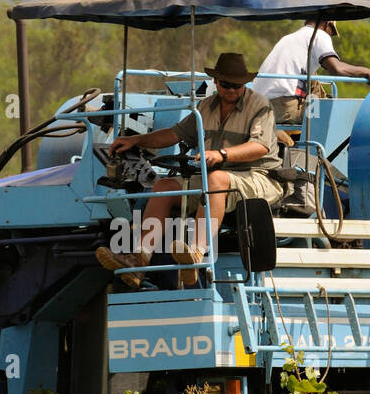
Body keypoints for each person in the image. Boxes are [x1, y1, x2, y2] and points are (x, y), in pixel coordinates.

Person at [95, 52, 282, 288]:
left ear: (244, 84)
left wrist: (220, 155)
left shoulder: (260, 106)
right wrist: (137, 141)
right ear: (216, 82)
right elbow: (174, 134)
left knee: (214, 180)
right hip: (214, 178)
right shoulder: (205, 107)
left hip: (258, 179)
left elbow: (260, 146)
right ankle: (138, 259)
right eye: (226, 84)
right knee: (163, 186)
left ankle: (195, 253)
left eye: (237, 85)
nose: (231, 90)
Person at [250, 19, 370, 124]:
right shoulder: (319, 35)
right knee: (334, 117)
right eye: (332, 32)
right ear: (326, 24)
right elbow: (337, 68)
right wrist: (366, 72)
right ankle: (321, 154)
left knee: (313, 76)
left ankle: (325, 102)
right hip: (283, 108)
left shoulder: (288, 38)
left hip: (259, 107)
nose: (331, 36)